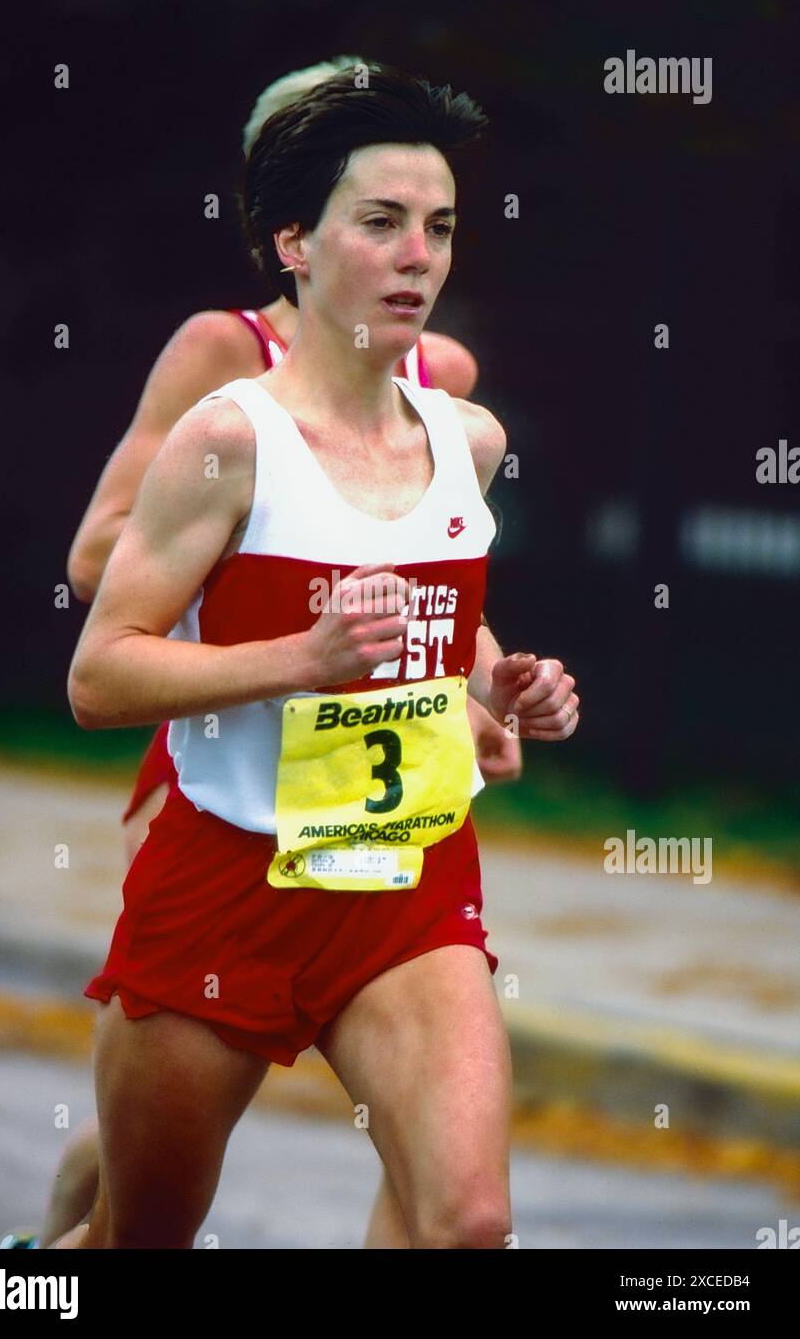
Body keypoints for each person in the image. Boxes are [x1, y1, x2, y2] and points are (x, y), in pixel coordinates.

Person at [58, 64, 579, 1249]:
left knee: (471, 1222)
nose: (419, 257)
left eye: (439, 228)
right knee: (135, 1239)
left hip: (406, 884)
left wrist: (501, 690)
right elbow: (99, 675)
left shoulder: (469, 437)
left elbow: (445, 637)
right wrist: (301, 657)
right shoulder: (228, 436)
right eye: (382, 223)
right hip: (228, 886)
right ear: (292, 241)